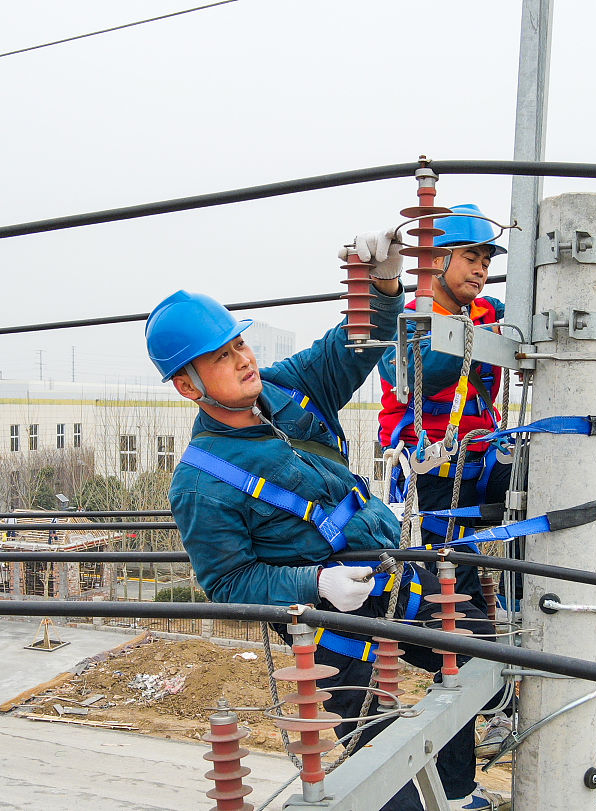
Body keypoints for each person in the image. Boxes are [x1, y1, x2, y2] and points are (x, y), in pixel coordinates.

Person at [147, 232, 505, 811]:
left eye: (239, 345)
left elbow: (353, 346)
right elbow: (229, 584)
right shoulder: (200, 481)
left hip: (391, 576)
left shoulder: (290, 388)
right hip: (331, 629)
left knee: (479, 659)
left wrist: (383, 286)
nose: (242, 361)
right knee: (388, 774)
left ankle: (462, 796)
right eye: (220, 357)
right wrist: (315, 586)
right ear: (188, 386)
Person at [376, 204, 512, 616]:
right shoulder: (409, 320)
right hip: (433, 466)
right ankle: (469, 653)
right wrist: (468, 337)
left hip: (484, 455)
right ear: (436, 261)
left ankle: (530, 608)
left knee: (546, 499)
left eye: (485, 262)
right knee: (456, 580)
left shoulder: (484, 312)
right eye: (470, 258)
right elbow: (413, 373)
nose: (480, 270)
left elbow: (519, 310)